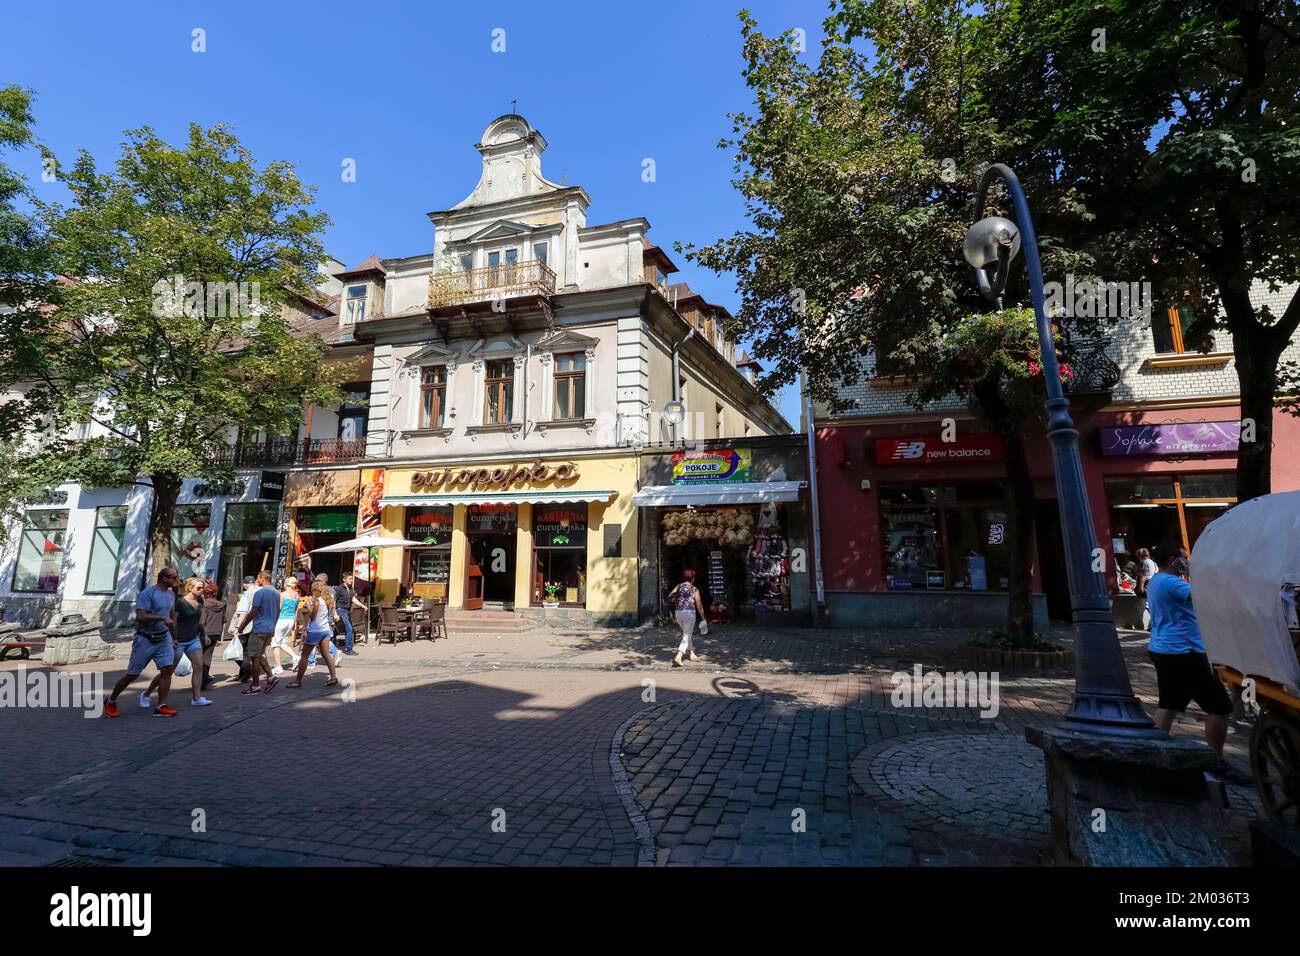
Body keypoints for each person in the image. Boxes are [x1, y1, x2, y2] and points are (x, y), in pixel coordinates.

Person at [1145, 543, 1244, 783]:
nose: (1186, 561)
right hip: (1185, 652)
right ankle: (1215, 760)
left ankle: (1150, 758)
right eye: (1183, 557)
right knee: (1219, 707)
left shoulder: (1157, 581)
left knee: (1168, 704)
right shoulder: (1173, 583)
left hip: (1164, 649)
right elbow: (1207, 598)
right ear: (1172, 559)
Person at [104, 567, 181, 718]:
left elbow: (171, 617)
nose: (176, 580)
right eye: (174, 577)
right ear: (164, 578)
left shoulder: (171, 594)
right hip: (145, 638)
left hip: (163, 637)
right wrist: (161, 618)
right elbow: (141, 616)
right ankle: (111, 700)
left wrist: (174, 636)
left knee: (167, 670)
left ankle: (161, 706)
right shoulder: (148, 594)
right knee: (132, 675)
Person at [143, 576, 212, 707]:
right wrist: (173, 637)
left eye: (203, 588)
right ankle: (146, 694)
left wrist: (205, 634)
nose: (201, 590)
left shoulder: (200, 601)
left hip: (193, 639)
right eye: (199, 588)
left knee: (198, 666)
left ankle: (196, 699)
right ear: (190, 588)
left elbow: (199, 621)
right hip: (179, 640)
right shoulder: (180, 602)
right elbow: (173, 621)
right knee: (167, 672)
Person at [290, 579, 341, 688]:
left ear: (316, 589)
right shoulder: (329, 599)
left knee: (304, 656)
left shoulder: (318, 600)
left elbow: (313, 616)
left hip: (315, 630)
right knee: (326, 654)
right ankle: (333, 677)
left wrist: (308, 607)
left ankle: (298, 681)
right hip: (325, 629)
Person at [242, 571, 282, 695]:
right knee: (260, 655)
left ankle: (255, 685)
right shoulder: (276, 593)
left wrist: (242, 626)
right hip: (269, 628)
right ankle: (271, 677)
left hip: (259, 628)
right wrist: (274, 626)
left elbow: (254, 611)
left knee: (254, 657)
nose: (256, 580)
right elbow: (278, 611)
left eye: (258, 578)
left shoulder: (259, 593)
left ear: (262, 578)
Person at [667, 569, 706, 668]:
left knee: (687, 633)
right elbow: (698, 603)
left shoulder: (679, 586)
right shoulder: (694, 589)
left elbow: (670, 596)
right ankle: (678, 656)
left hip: (678, 613)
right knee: (686, 635)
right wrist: (703, 617)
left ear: (684, 578)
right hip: (689, 613)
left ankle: (691, 653)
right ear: (693, 579)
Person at [269, 577, 301, 675]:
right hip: (290, 620)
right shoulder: (297, 595)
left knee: (275, 643)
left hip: (281, 620)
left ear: (287, 583)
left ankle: (278, 667)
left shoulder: (282, 594)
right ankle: (295, 657)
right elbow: (296, 610)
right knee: (283, 642)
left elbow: (278, 609)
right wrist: (295, 623)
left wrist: (273, 621)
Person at [228, 575, 257, 683]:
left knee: (240, 651)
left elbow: (243, 613)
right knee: (247, 651)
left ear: (245, 584)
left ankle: (246, 673)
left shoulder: (246, 594)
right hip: (257, 625)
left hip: (246, 626)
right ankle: (243, 673)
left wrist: (237, 628)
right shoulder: (260, 591)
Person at [199, 580, 226, 690]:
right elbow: (224, 620)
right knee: (207, 657)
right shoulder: (221, 605)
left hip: (205, 633)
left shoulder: (205, 605)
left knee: (198, 658)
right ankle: (204, 681)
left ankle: (200, 681)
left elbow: (201, 621)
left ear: (207, 593)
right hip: (216, 633)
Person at [334, 572, 362, 656]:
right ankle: (348, 649)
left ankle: (333, 644)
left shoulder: (350, 588)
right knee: (349, 628)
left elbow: (353, 598)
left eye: (352, 579)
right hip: (340, 610)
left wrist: (362, 605)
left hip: (347, 611)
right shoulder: (339, 589)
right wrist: (335, 613)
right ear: (344, 579)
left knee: (342, 629)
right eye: (350, 579)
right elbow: (334, 601)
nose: (351, 580)